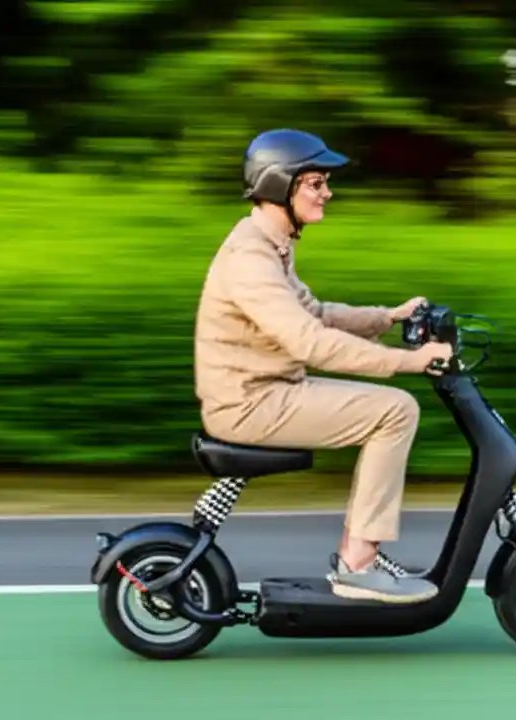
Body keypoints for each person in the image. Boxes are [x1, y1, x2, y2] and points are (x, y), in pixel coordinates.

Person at [193, 128, 454, 604]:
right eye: (315, 182)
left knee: (391, 407)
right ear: (280, 185)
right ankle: (359, 563)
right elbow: (309, 341)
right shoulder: (250, 259)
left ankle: (361, 554)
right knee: (395, 411)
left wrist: (387, 317)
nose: (327, 193)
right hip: (251, 404)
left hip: (269, 390)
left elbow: (314, 313)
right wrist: (408, 361)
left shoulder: (269, 243)